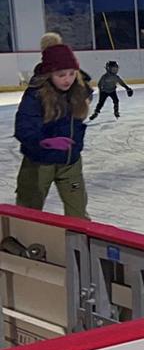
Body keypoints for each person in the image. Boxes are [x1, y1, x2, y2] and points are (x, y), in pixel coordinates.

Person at [14, 43, 92, 219]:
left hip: (70, 161)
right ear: (49, 74)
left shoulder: (80, 91)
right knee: (28, 211)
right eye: (61, 75)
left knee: (78, 212)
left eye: (72, 73)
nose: (67, 79)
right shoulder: (35, 96)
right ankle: (22, 242)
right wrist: (42, 142)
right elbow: (24, 127)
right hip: (39, 163)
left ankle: (77, 244)